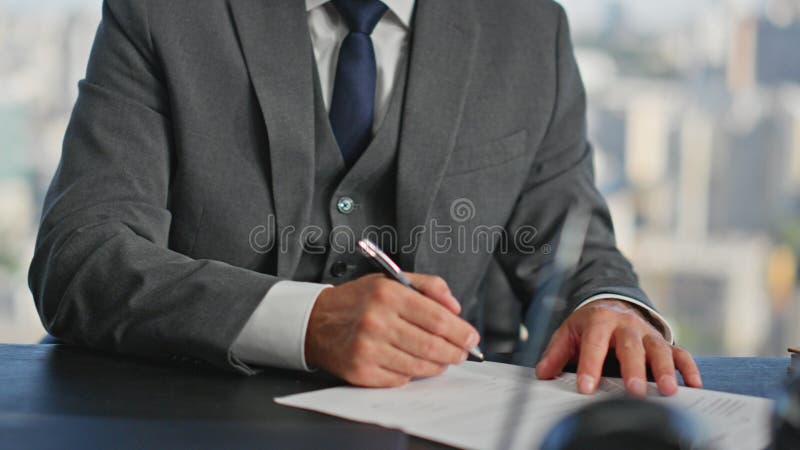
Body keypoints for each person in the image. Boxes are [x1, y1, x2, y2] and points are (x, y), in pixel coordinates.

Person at [29, 0, 702, 398]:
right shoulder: (163, 13)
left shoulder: (527, 28)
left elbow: (573, 241)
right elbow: (81, 261)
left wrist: (605, 304)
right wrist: (307, 321)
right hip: (198, 420)